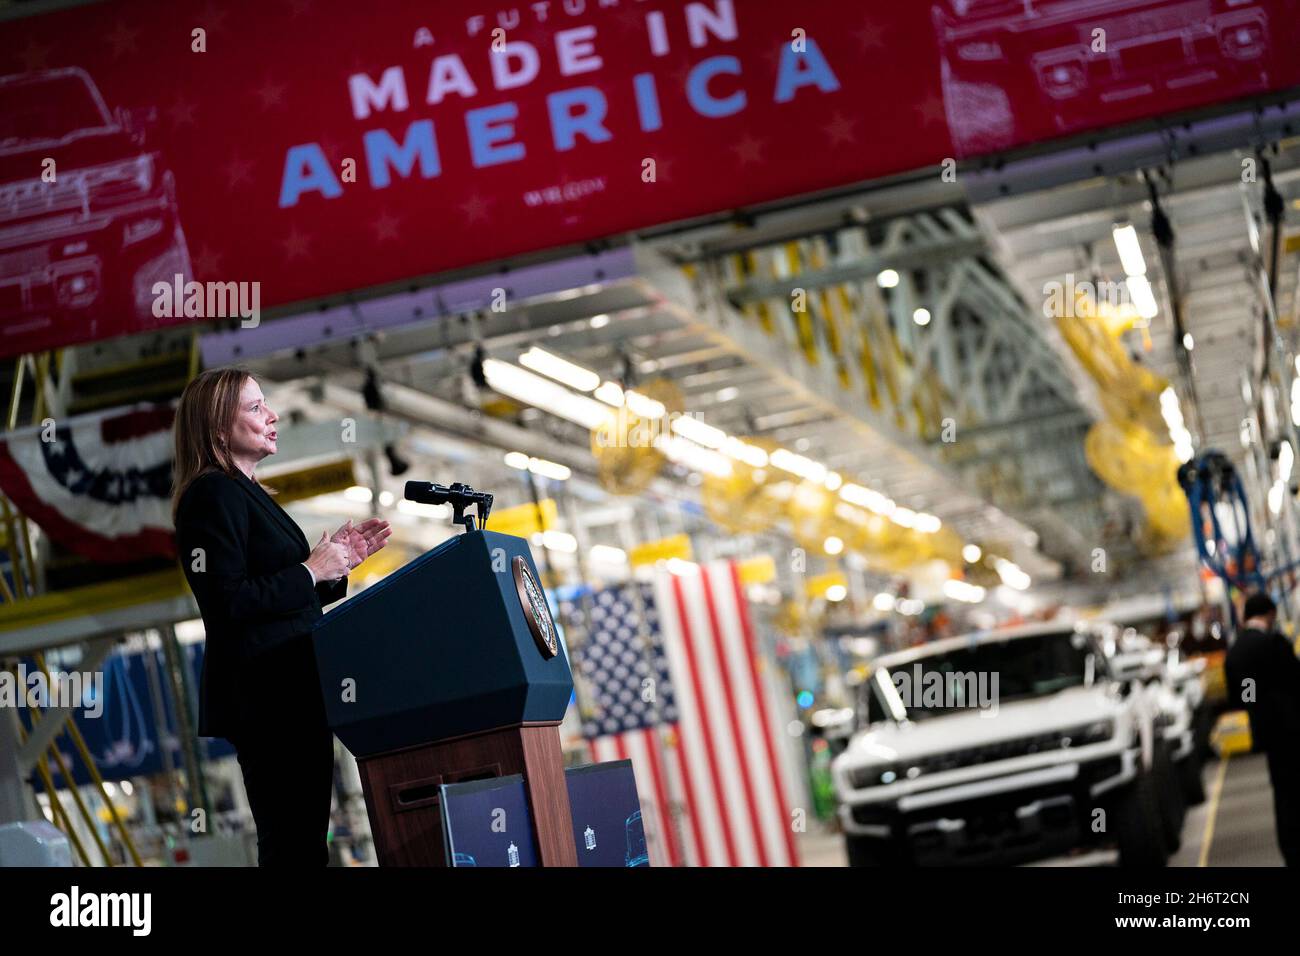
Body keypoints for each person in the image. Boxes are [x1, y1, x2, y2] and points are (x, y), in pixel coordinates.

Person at [171, 367, 392, 866]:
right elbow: (228, 601)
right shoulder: (212, 495)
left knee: (305, 839)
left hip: (291, 688)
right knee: (292, 841)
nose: (272, 416)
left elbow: (283, 593)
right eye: (254, 408)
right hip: (267, 695)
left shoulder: (245, 492)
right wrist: (310, 571)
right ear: (216, 427)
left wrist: (335, 568)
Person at [1224, 592, 1300, 865]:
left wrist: (1260, 707)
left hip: (1268, 734)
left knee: (1283, 795)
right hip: (1294, 729)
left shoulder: (1235, 653)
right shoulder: (1274, 642)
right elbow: (1295, 680)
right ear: (1269, 613)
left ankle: (1291, 852)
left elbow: (1239, 698)